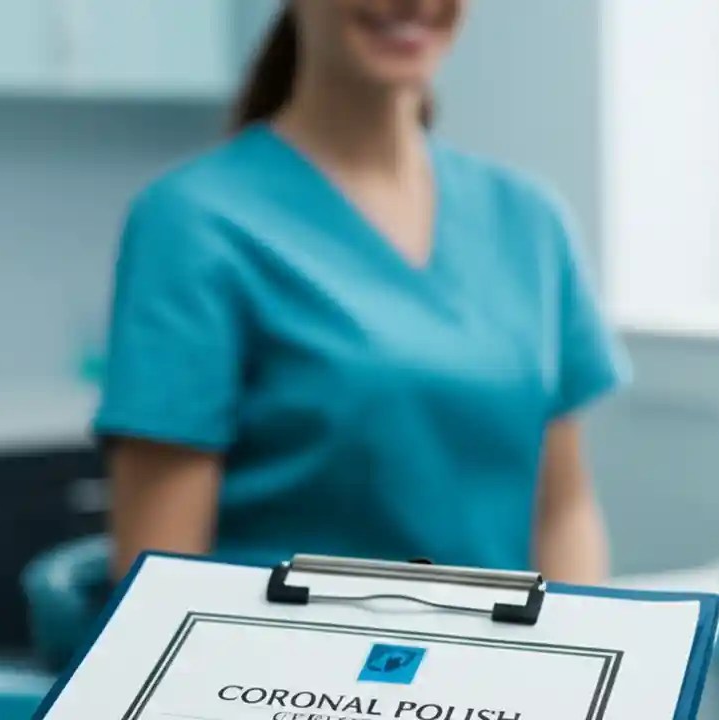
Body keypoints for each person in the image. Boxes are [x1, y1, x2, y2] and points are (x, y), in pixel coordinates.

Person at [96, 0, 628, 584]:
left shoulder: (529, 219)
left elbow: (562, 508)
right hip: (280, 669)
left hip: (490, 664)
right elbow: (158, 580)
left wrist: (578, 654)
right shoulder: (192, 222)